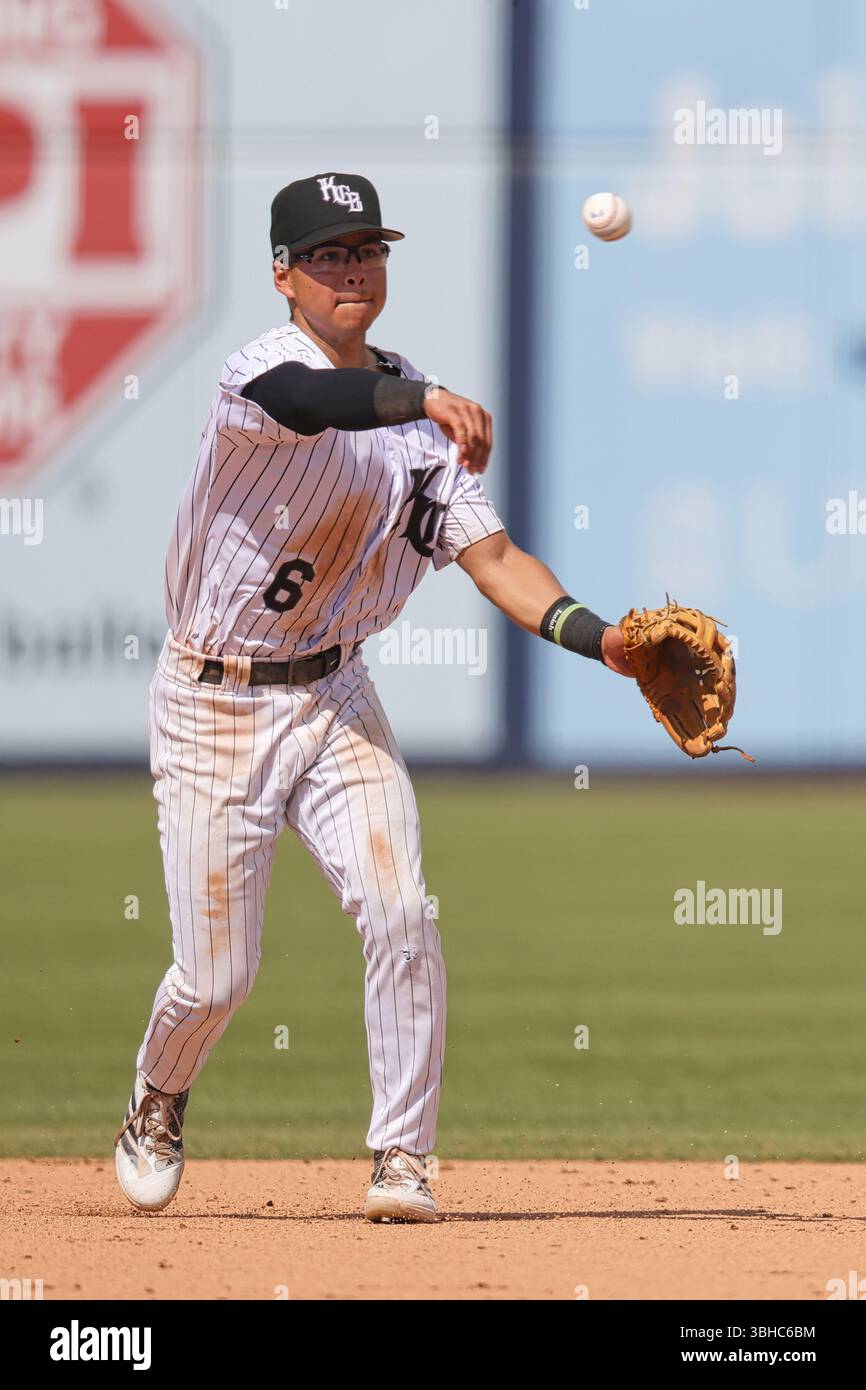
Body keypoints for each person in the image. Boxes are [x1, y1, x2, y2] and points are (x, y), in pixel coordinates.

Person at [114, 171, 631, 1223]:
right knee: (216, 981)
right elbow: (314, 402)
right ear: (284, 277)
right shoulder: (259, 372)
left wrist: (604, 637)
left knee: (400, 909)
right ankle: (157, 1097)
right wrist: (421, 399)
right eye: (328, 254)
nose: (352, 269)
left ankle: (403, 1156)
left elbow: (490, 557)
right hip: (215, 703)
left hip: (334, 696)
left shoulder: (417, 425)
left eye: (367, 251)